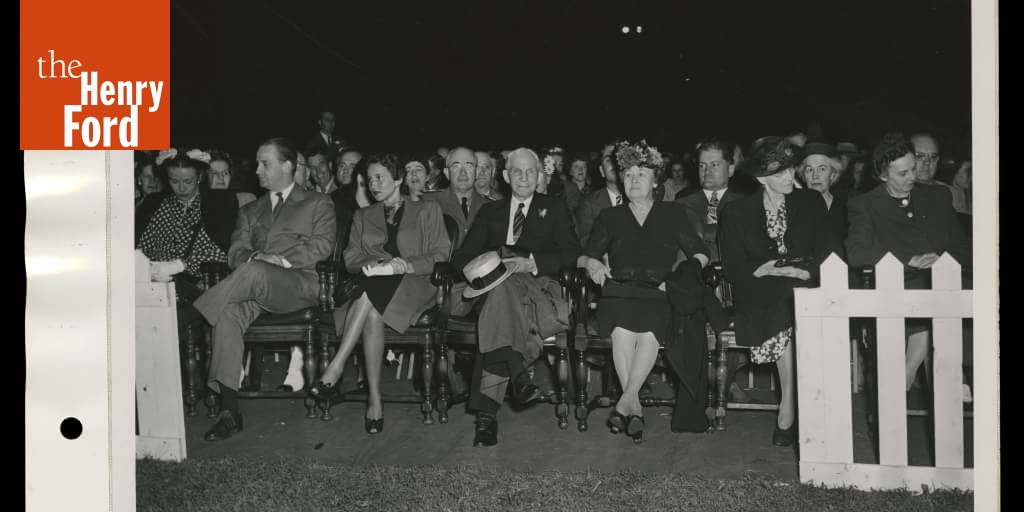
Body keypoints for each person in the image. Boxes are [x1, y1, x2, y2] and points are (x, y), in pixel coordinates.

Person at [192, 137, 336, 441]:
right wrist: (257, 257)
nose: (256, 169)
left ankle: (193, 315)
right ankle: (230, 410)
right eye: (257, 163)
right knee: (229, 312)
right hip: (253, 288)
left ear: (287, 166)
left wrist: (279, 260)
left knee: (256, 270)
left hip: (300, 284)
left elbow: (323, 245)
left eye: (264, 163)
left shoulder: (317, 202)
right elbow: (235, 252)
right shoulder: (249, 210)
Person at [577, 140, 709, 442]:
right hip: (618, 290)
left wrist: (679, 276)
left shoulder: (673, 214)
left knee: (649, 328)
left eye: (641, 174)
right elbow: (585, 255)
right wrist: (593, 265)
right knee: (622, 330)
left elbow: (700, 253)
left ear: (655, 181)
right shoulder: (610, 217)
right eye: (627, 175)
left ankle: (627, 405)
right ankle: (631, 406)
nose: (633, 180)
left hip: (658, 291)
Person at [310, 154, 451, 434]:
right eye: (369, 179)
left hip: (415, 285)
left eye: (380, 178)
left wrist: (407, 264)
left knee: (372, 293)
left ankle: (337, 366)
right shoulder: (362, 216)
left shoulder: (428, 209)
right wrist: (375, 265)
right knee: (373, 311)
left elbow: (441, 254)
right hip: (373, 287)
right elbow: (350, 258)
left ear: (398, 179)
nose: (373, 185)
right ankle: (375, 401)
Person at [450, 147, 581, 447]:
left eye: (530, 172)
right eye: (517, 172)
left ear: (539, 177)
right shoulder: (491, 212)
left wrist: (532, 262)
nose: (523, 177)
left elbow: (571, 254)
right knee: (499, 289)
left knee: (499, 304)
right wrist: (490, 264)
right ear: (506, 176)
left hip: (536, 286)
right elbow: (463, 257)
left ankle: (487, 416)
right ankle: (517, 372)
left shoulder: (555, 208)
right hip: (492, 287)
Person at [719, 139, 839, 447]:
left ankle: (788, 406)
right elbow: (733, 266)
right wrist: (764, 270)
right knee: (787, 299)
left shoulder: (810, 202)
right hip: (757, 292)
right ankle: (792, 405)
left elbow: (829, 250)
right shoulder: (736, 212)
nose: (790, 178)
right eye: (780, 173)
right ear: (761, 178)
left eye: (790, 171)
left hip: (801, 287)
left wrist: (807, 271)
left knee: (792, 295)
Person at [846, 133, 971, 400]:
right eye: (903, 173)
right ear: (882, 175)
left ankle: (908, 375)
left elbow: (962, 246)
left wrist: (942, 261)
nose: (912, 178)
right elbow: (856, 253)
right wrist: (907, 260)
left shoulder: (938, 196)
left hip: (943, 282)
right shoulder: (865, 205)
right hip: (899, 284)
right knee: (928, 300)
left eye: (913, 169)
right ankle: (934, 377)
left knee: (943, 294)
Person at [136, 149, 238, 286]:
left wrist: (180, 266)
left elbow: (221, 251)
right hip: (154, 280)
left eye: (188, 181)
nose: (181, 188)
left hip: (196, 283)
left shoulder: (219, 203)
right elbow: (140, 248)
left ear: (199, 177)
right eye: (174, 181)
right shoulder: (153, 204)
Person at [422, 147, 491, 245]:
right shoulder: (428, 202)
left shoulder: (491, 207)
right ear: (446, 173)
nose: (463, 173)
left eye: (469, 166)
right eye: (456, 166)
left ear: (476, 173)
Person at [798, 142, 848, 258]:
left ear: (832, 174)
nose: (815, 176)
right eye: (809, 170)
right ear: (804, 176)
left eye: (822, 169)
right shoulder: (794, 208)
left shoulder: (848, 206)